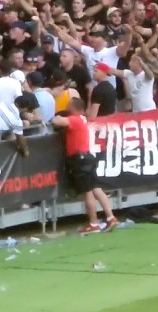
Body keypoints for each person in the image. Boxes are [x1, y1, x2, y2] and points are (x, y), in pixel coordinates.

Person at [51, 97, 117, 234]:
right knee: (96, 188)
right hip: (87, 157)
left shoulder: (75, 119)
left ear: (73, 107)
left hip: (80, 159)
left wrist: (56, 116)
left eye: (69, 105)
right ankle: (111, 217)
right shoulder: (82, 119)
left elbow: (57, 121)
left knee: (88, 192)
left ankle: (93, 224)